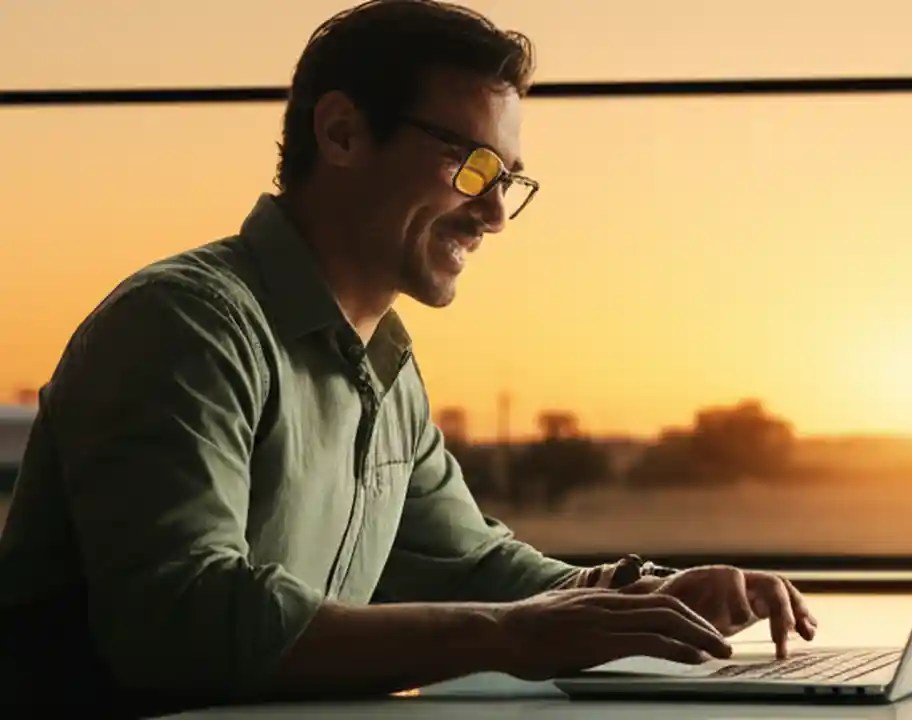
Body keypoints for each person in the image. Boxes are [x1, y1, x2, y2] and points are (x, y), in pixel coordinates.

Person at [0, 0, 816, 715]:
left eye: (509, 180)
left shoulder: (384, 371)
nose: (495, 214)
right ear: (343, 133)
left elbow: (472, 566)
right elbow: (182, 622)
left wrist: (641, 594)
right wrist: (510, 637)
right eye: (473, 165)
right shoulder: (185, 325)